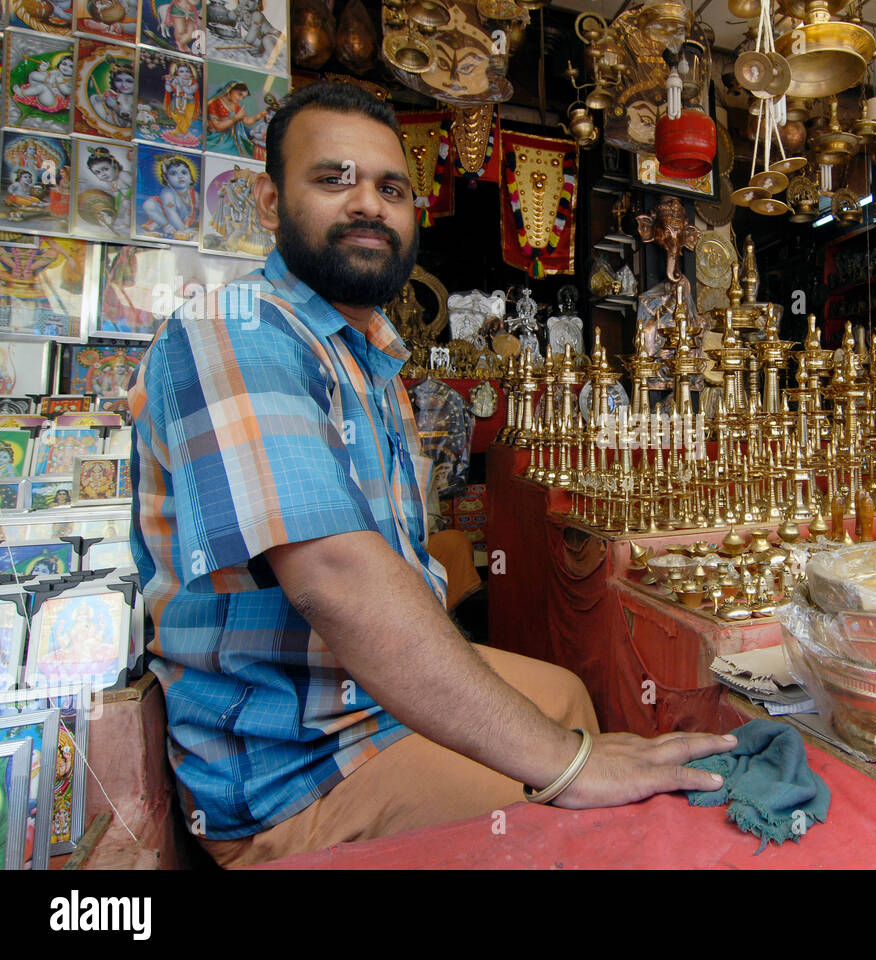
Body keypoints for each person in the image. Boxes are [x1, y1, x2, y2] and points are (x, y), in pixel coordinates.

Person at [129, 82, 734, 869]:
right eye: (332, 179)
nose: (368, 205)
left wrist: (565, 751)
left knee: (567, 701)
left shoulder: (365, 355)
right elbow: (337, 580)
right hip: (298, 763)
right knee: (597, 814)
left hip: (363, 705)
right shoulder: (233, 330)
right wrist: (570, 766)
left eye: (390, 188)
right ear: (270, 202)